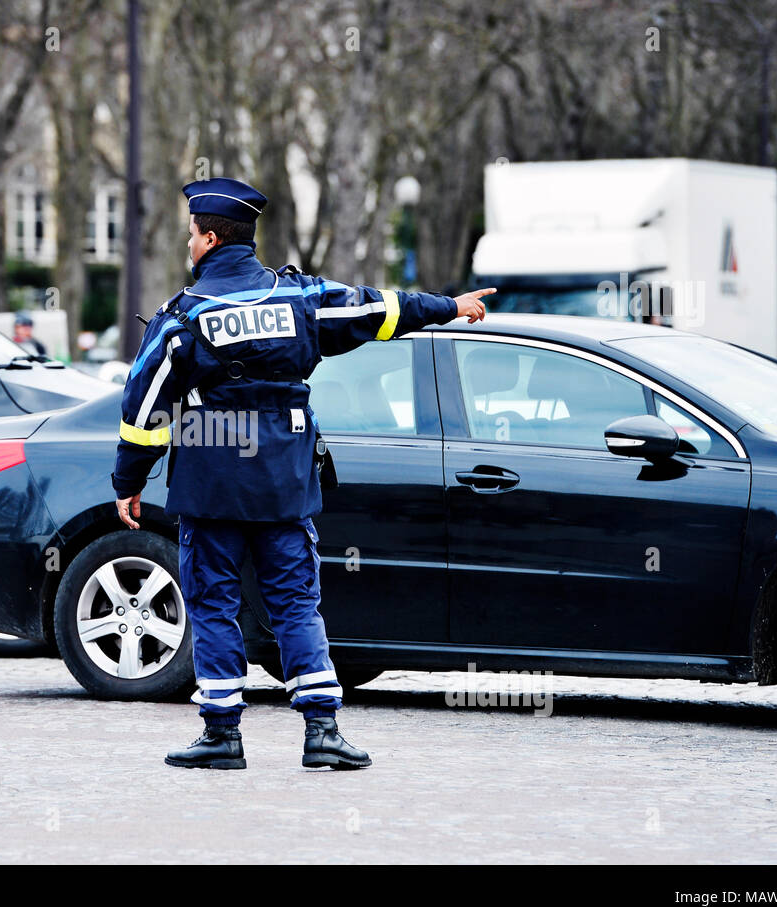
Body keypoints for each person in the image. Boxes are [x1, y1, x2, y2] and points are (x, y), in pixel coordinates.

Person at [111, 176, 493, 770]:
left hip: (211, 478)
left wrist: (128, 481)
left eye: (191, 235)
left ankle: (221, 735)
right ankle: (322, 732)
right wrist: (452, 305)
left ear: (210, 239)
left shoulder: (184, 316)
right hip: (282, 477)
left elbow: (145, 406)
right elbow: (379, 309)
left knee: (213, 601)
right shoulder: (301, 300)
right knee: (294, 602)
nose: (189, 245)